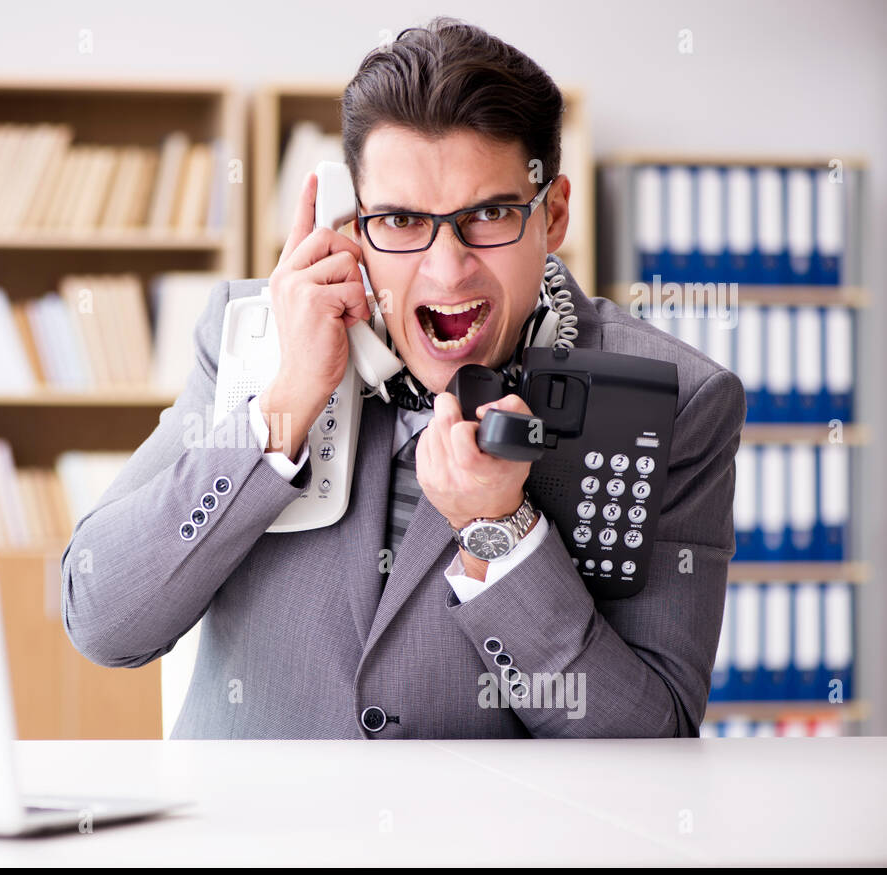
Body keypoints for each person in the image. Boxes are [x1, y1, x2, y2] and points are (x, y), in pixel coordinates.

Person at [61, 16, 745, 739]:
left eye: (488, 213)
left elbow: (651, 744)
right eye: (399, 220)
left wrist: (502, 533)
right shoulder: (251, 337)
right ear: (349, 225)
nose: (447, 269)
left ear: (554, 213)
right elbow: (101, 620)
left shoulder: (677, 400)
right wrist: (281, 409)